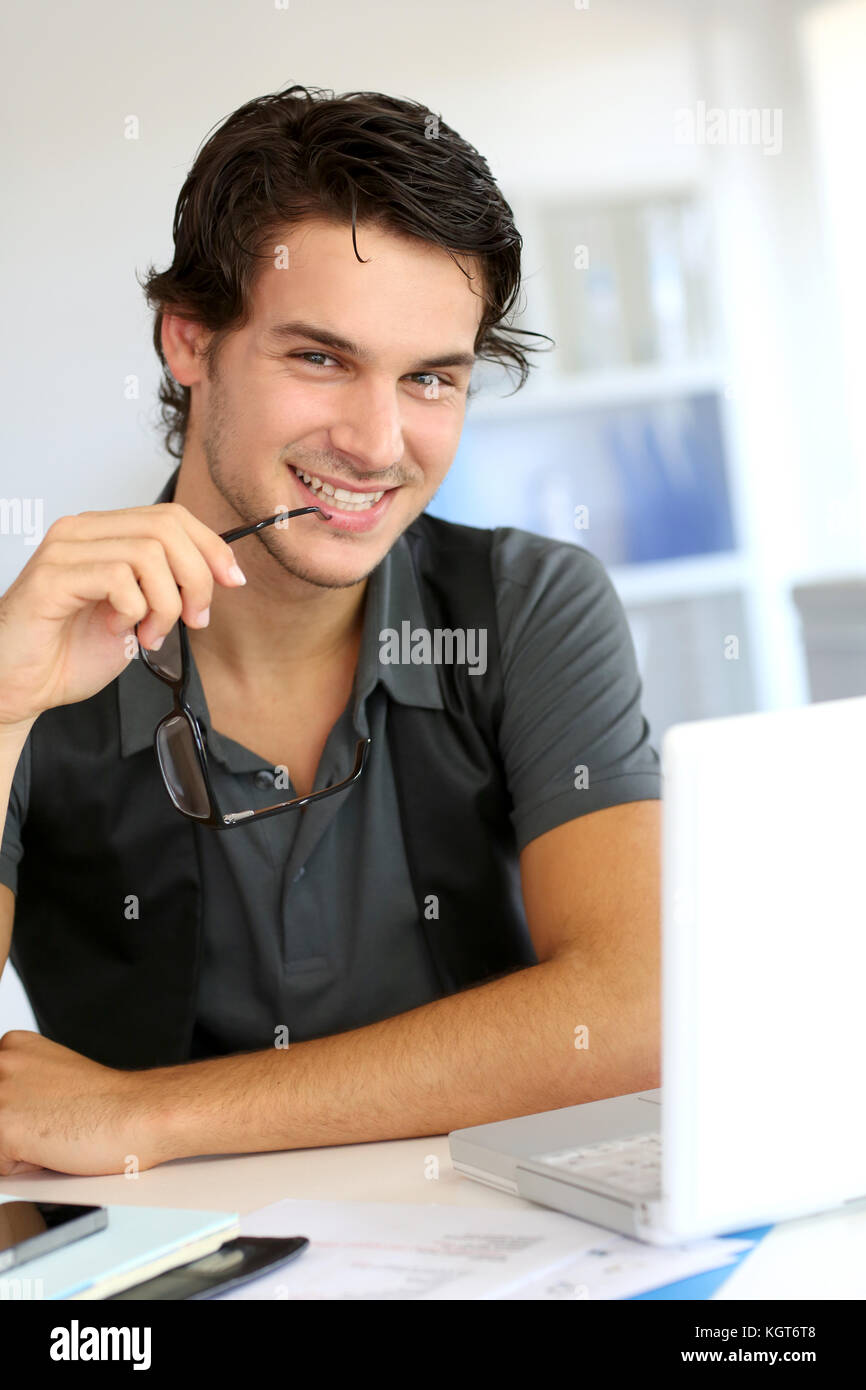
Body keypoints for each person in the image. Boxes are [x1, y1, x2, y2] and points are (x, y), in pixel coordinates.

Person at [0, 84, 662, 1177]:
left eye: (429, 379)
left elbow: (631, 1010)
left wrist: (147, 1115)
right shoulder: (38, 647)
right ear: (190, 342)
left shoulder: (528, 605)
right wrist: (7, 703)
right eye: (320, 359)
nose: (375, 442)